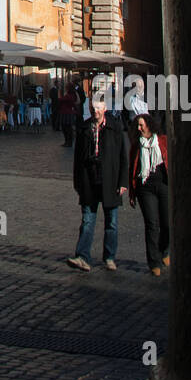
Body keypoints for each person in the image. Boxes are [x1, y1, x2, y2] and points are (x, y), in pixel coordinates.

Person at [67, 94, 129, 272]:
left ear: (105, 109)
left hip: (110, 180)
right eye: (93, 108)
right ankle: (82, 256)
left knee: (112, 222)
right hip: (89, 180)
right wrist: (77, 182)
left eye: (99, 107)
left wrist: (123, 181)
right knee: (87, 220)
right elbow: (77, 160)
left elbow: (123, 157)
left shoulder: (115, 128)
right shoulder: (84, 128)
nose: (96, 110)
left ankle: (109, 257)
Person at [128, 112, 170, 276]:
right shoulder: (135, 145)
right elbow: (132, 169)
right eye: (137, 125)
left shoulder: (162, 141)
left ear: (149, 125)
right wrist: (132, 193)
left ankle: (164, 251)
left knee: (166, 223)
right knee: (152, 224)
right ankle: (154, 261)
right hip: (145, 187)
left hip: (163, 184)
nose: (139, 128)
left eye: (141, 125)